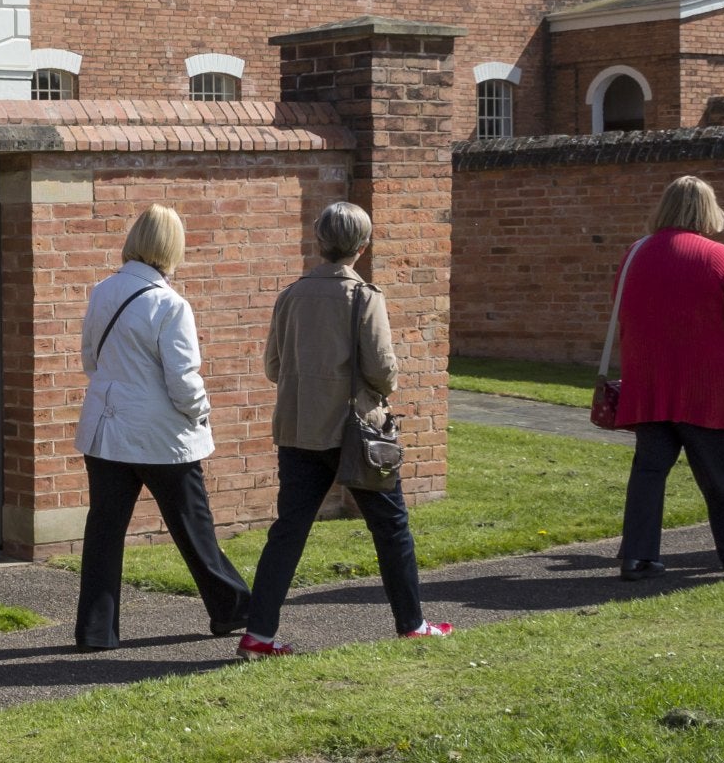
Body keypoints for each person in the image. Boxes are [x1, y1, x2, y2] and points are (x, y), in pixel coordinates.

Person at [238, 202, 453, 658]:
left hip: (298, 429)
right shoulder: (364, 297)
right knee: (391, 527)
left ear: (319, 241)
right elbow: (382, 372)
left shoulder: (292, 294)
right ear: (363, 245)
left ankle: (257, 634)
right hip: (356, 433)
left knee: (288, 531)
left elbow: (274, 367)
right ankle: (412, 623)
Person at [70, 204, 248, 651]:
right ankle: (233, 609)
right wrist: (201, 413)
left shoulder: (102, 290)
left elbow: (90, 360)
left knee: (104, 533)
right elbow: (183, 380)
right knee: (193, 528)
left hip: (105, 430)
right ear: (173, 248)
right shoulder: (171, 305)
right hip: (162, 438)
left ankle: (96, 631)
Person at [610, 176, 724, 580]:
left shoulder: (635, 253)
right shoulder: (717, 256)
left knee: (649, 470)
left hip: (649, 379)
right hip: (705, 384)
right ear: (708, 210)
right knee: (716, 471)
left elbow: (621, 307)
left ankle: (637, 555)